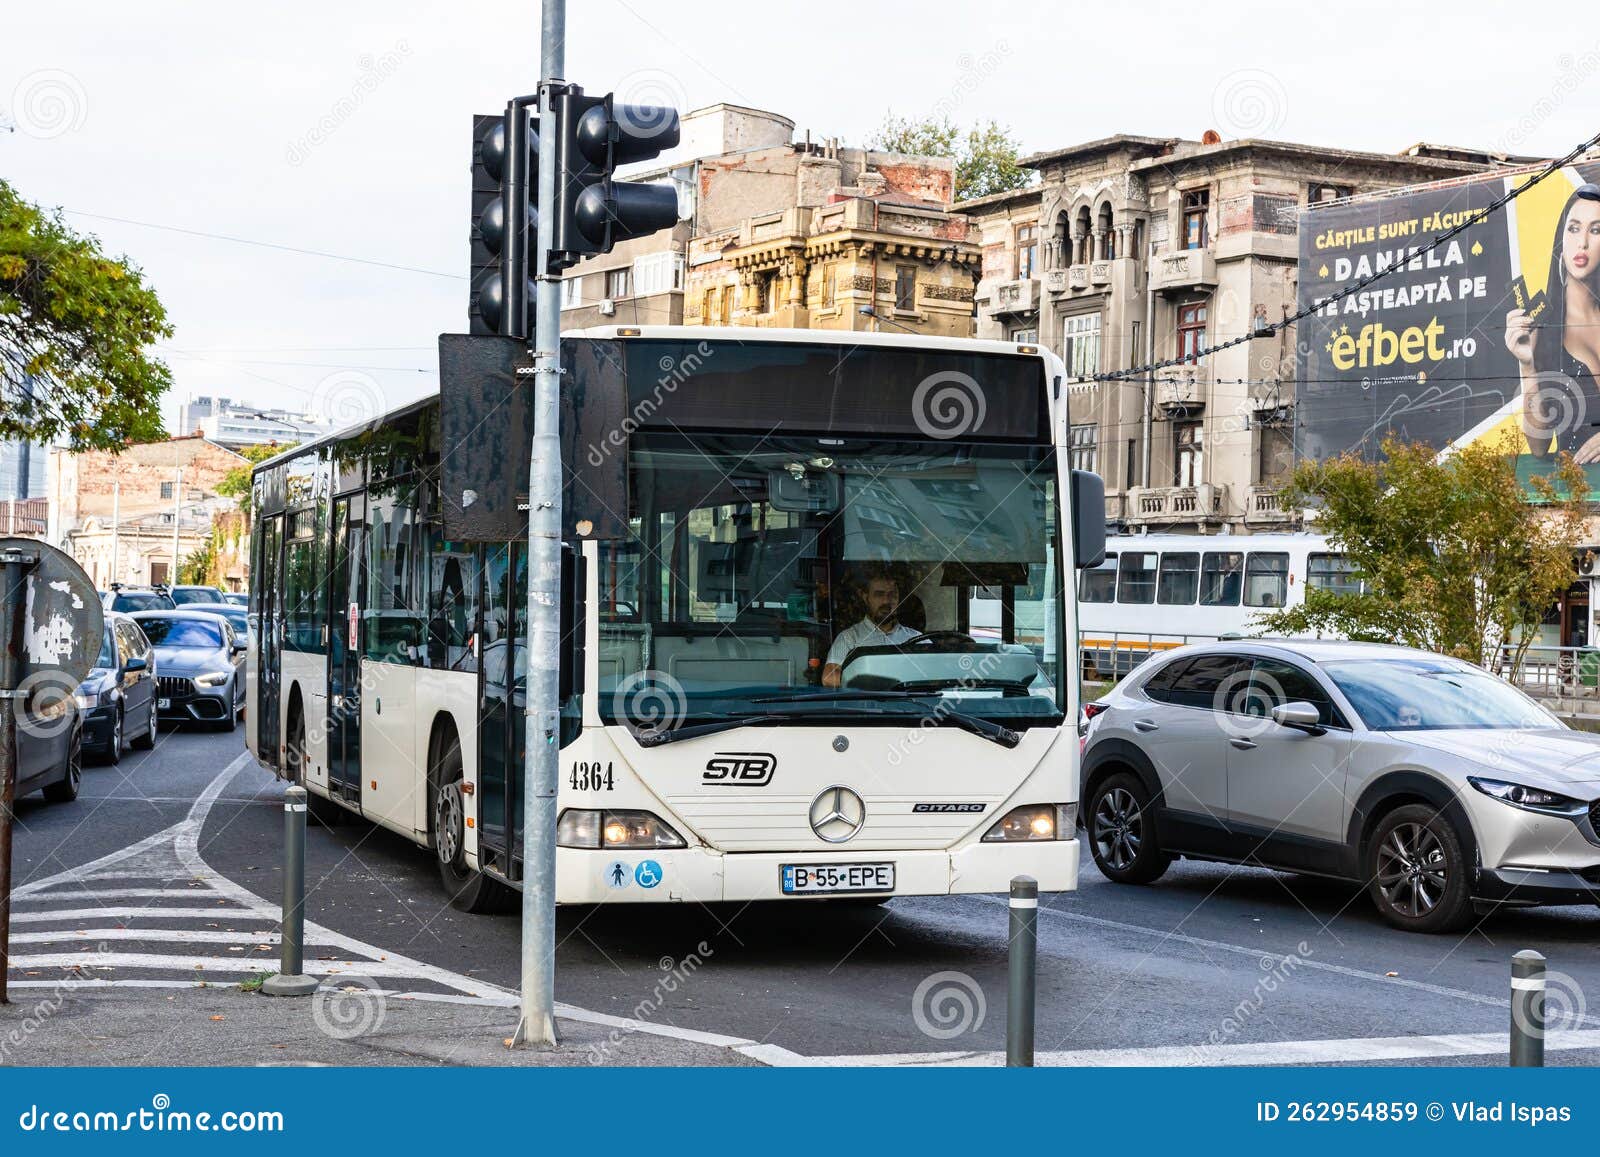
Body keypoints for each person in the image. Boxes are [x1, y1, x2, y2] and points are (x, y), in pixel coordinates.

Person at [1510, 183, 1600, 460]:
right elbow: (1539, 448)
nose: (1582, 242)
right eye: (1573, 228)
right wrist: (1526, 364)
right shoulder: (1544, 328)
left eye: (1595, 230)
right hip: (1577, 493)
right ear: (1561, 240)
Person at [822, 569, 920, 687]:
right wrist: (881, 686)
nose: (886, 601)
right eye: (879, 594)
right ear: (865, 597)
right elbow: (829, 678)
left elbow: (937, 675)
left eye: (892, 595)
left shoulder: (917, 638)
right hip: (866, 704)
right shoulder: (849, 638)